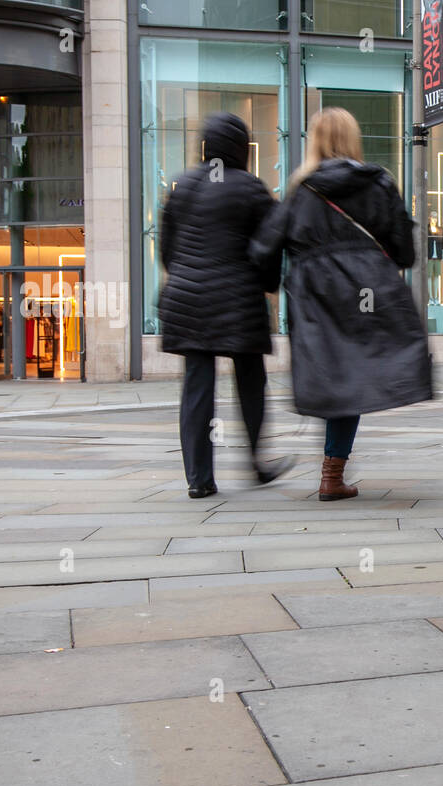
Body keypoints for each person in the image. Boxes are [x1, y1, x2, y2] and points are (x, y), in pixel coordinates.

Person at [251, 107, 433, 501]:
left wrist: (269, 287)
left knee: (331, 372)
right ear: (353, 139)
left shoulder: (301, 191)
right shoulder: (378, 182)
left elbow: (266, 247)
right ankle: (332, 473)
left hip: (314, 295)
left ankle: (331, 474)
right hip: (365, 292)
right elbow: (403, 250)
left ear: (314, 141)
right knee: (353, 372)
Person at [158, 112, 289, 499]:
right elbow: (268, 251)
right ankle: (256, 463)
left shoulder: (182, 186)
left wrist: (185, 278)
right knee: (250, 381)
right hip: (237, 302)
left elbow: (168, 249)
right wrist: (268, 287)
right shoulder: (251, 188)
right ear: (240, 149)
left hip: (188, 301)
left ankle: (199, 479)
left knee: (197, 388)